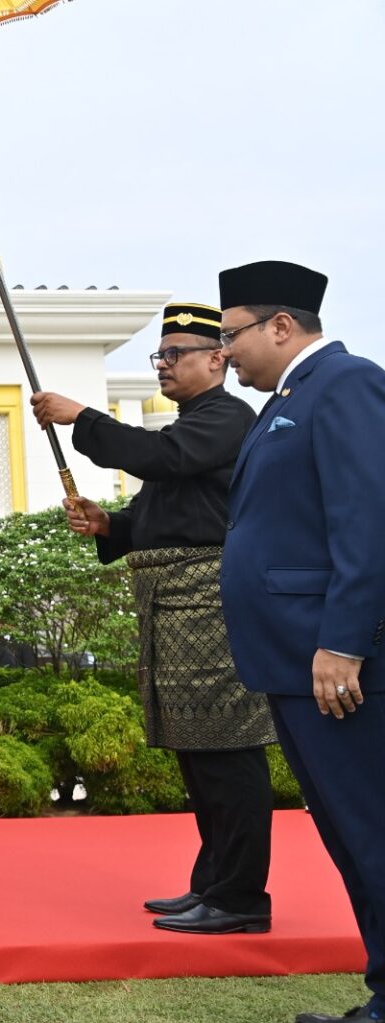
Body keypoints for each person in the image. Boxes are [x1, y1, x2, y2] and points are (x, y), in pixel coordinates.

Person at [32, 302, 276, 935]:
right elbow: (160, 515)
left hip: (211, 601)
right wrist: (108, 523)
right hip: (173, 600)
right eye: (159, 356)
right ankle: (214, 884)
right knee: (198, 752)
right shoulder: (186, 431)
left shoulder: (225, 418)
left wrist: (81, 417)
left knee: (228, 749)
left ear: (216, 359)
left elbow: (157, 461)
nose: (163, 366)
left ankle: (242, 895)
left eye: (175, 355)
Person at [217, 261, 385, 1023]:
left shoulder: (344, 386)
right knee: (351, 837)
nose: (225, 354)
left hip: (334, 664)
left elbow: (367, 519)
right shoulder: (288, 399)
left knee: (372, 831)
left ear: (281, 326)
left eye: (231, 335)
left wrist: (344, 641)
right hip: (290, 661)